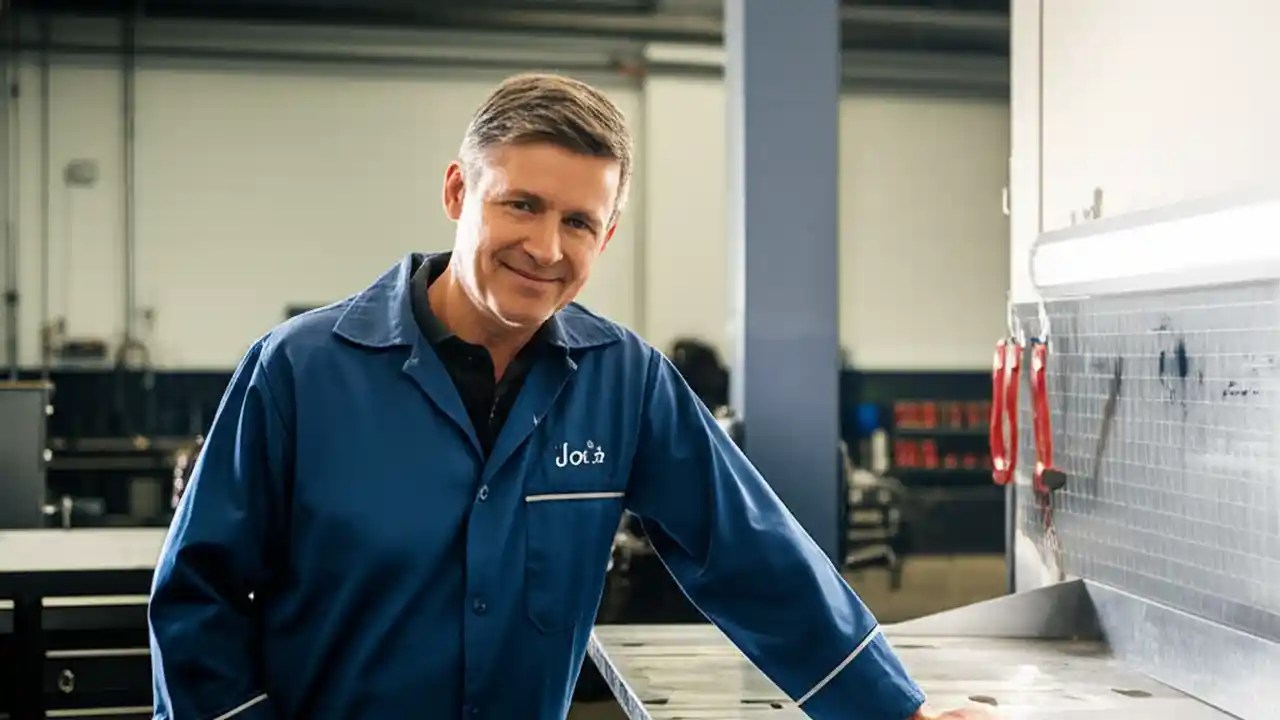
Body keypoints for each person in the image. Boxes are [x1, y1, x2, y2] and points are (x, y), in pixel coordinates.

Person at [148, 72, 994, 720]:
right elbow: (197, 596)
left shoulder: (624, 381)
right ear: (458, 193)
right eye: (521, 205)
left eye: (580, 222)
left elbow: (753, 556)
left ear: (608, 232)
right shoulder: (300, 371)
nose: (547, 248)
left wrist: (892, 711)